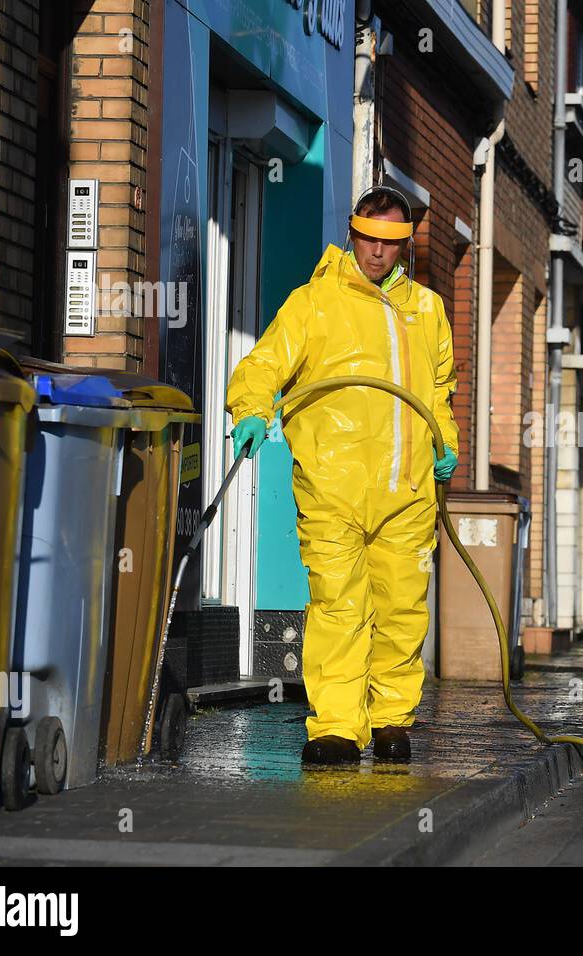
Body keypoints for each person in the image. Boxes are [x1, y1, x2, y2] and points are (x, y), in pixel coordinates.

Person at [225, 185, 458, 764]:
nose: (378, 253)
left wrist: (444, 444)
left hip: (407, 489)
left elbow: (439, 392)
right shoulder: (314, 303)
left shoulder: (426, 310)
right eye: (369, 239)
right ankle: (335, 727)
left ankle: (391, 721)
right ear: (352, 234)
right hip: (332, 487)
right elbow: (264, 364)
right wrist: (251, 411)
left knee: (403, 608)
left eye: (392, 242)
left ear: (406, 245)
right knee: (338, 606)